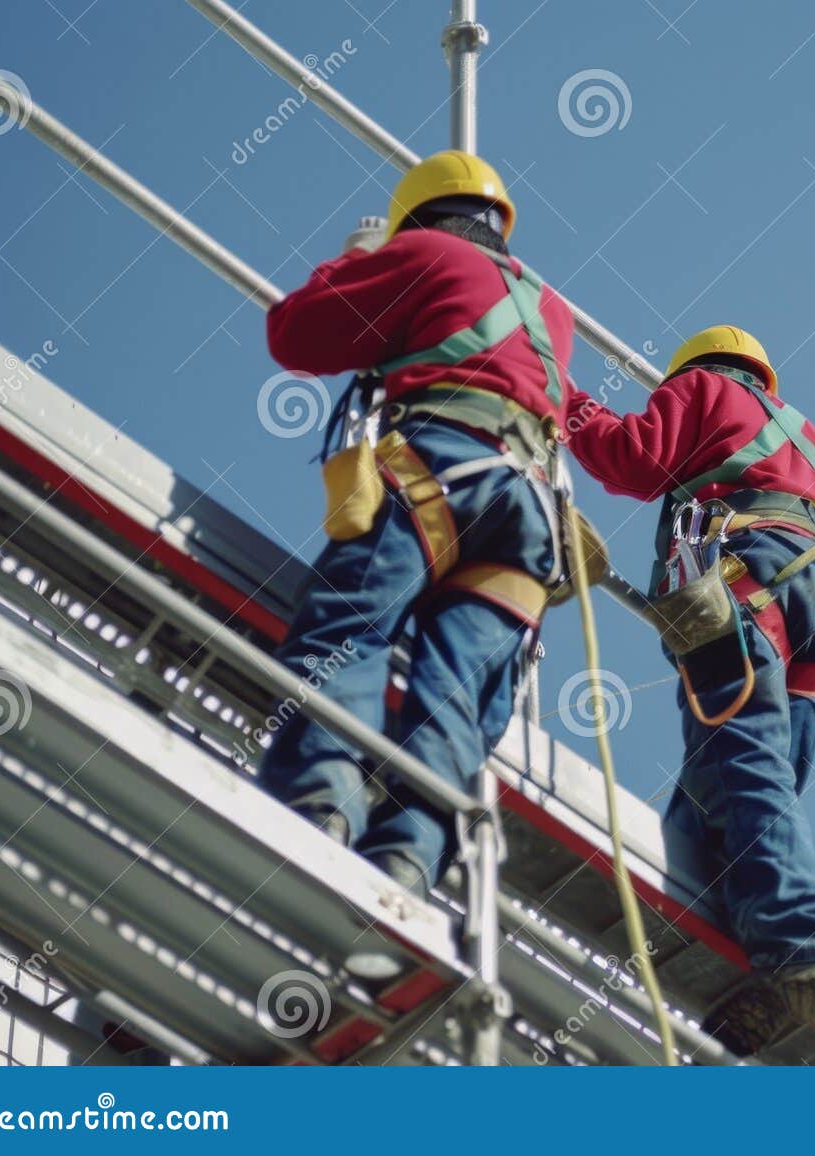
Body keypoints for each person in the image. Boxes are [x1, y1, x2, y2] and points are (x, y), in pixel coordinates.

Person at [258, 151, 575, 900]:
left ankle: (321, 799)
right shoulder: (549, 306)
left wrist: (359, 260)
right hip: (530, 521)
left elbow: (297, 336)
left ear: (421, 217)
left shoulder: (422, 253)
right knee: (455, 696)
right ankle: (409, 856)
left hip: (440, 473)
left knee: (348, 632)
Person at [564, 325, 815, 1055]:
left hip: (759, 584)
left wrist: (562, 400)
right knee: (723, 802)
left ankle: (800, 941)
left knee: (744, 762)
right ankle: (744, 963)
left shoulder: (701, 388)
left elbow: (633, 459)